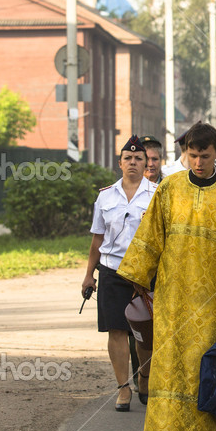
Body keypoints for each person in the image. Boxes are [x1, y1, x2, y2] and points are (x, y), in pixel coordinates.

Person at [116, 123, 216, 431]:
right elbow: (151, 233)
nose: (198, 162)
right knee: (169, 360)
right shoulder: (170, 187)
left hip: (212, 298)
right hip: (172, 292)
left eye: (204, 156)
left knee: (205, 362)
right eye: (192, 155)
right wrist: (138, 274)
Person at [82, 136, 158, 413]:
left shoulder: (157, 194)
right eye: (128, 158)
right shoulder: (106, 196)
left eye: (138, 159)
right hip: (112, 271)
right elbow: (97, 239)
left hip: (144, 274)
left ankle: (144, 377)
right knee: (116, 330)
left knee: (143, 333)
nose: (133, 162)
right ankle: (123, 387)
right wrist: (89, 275)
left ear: (146, 164)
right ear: (120, 163)